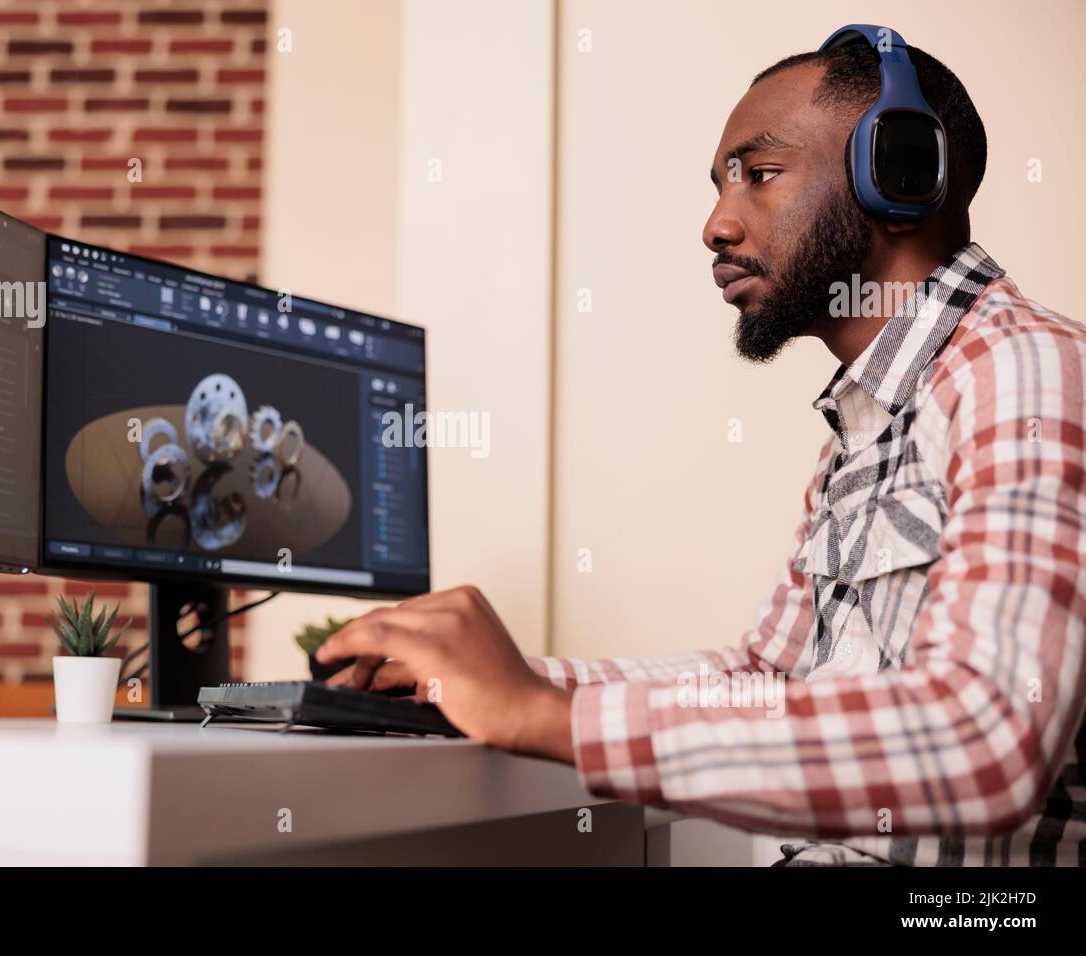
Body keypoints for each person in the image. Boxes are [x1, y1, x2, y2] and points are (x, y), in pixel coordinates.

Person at [318, 30, 1086, 866]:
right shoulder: (867, 425)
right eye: (721, 185)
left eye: (759, 174)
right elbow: (768, 678)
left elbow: (989, 737)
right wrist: (508, 680)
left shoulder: (1025, 367)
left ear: (898, 174)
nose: (717, 225)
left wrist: (546, 720)